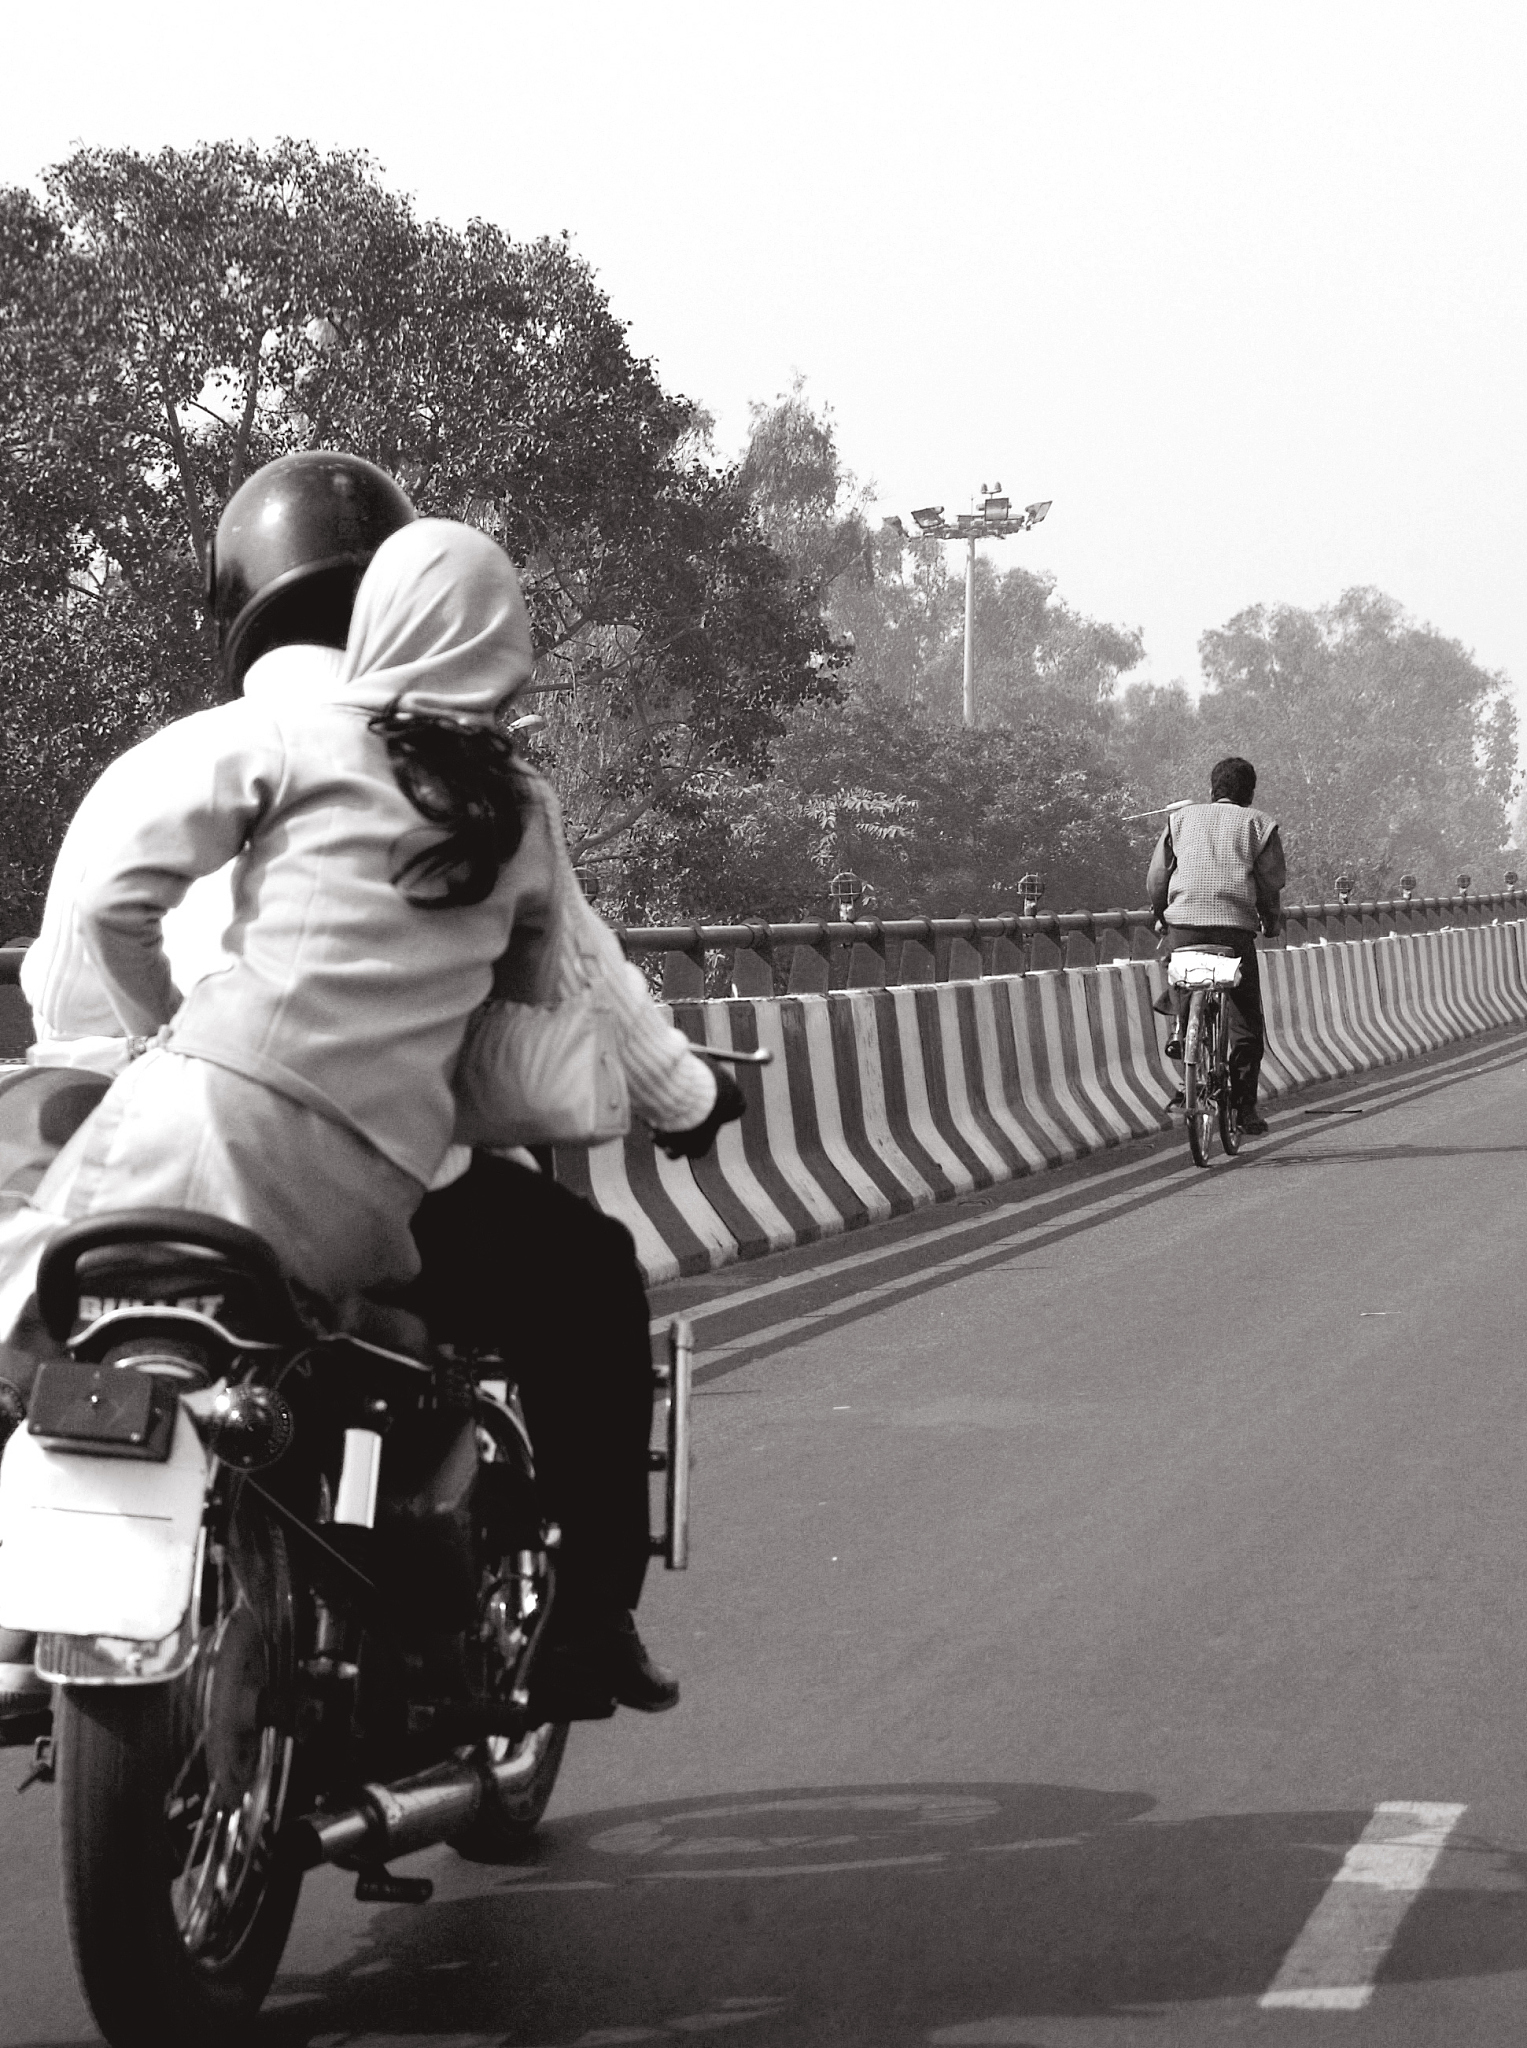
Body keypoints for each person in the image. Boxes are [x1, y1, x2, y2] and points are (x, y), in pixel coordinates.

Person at [0, 485, 733, 1722]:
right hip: (374, 1187)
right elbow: (584, 996)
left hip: (161, 1120)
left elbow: (88, 941)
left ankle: (24, 1625)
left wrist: (165, 1032)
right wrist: (685, 1093)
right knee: (574, 1275)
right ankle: (583, 1615)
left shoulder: (208, 750)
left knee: (32, 1308)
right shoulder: (511, 806)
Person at [1145, 755, 1285, 1137]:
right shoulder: (1259, 824)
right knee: (1246, 1020)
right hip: (1234, 930)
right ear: (1250, 793)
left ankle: (1179, 1027)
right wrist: (1271, 921)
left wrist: (1161, 912)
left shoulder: (1181, 819)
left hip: (1184, 924)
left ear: (1212, 790)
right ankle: (1244, 1109)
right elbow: (1270, 885)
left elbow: (1158, 876)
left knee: (1181, 970)